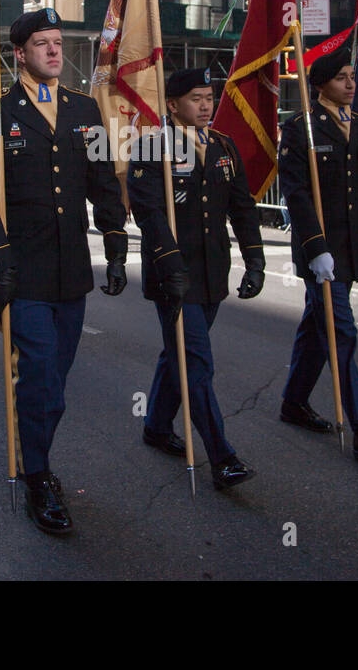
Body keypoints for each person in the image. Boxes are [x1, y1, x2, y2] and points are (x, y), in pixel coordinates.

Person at [0, 7, 128, 536]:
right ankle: (39, 476)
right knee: (39, 376)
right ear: (19, 55)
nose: (54, 51)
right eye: (42, 44)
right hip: (19, 270)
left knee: (55, 381)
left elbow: (102, 178)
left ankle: (34, 445)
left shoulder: (83, 109)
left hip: (70, 269)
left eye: (58, 42)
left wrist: (117, 242)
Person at [129, 68, 262, 490]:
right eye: (195, 99)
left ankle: (155, 426)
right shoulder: (153, 147)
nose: (205, 106)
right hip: (174, 275)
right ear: (172, 105)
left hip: (211, 272)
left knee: (179, 356)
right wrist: (170, 265)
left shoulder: (223, 146)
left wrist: (255, 260)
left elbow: (241, 207)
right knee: (197, 364)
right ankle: (222, 455)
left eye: (209, 97)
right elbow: (148, 213)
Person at [277, 52, 358, 463]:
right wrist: (315, 247)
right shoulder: (301, 129)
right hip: (320, 251)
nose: (350, 85)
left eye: (352, 77)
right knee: (342, 331)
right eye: (341, 79)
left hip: (350, 249)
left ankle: (294, 402)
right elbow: (296, 192)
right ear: (320, 85)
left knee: (317, 329)